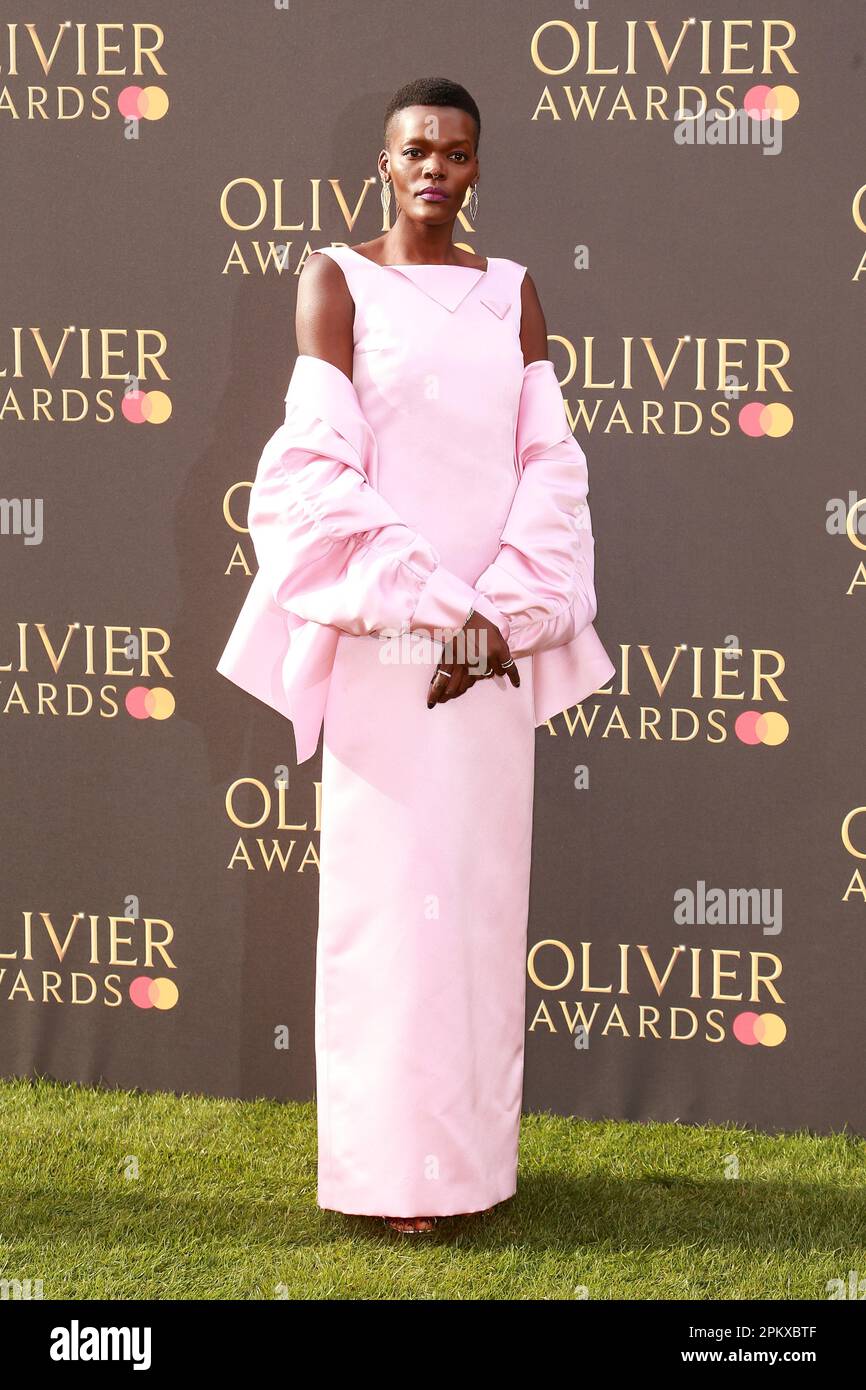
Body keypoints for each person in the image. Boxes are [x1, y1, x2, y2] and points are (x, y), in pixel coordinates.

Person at [217, 76, 616, 1235]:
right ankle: (391, 1180)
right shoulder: (334, 281)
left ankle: (471, 1168)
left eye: (454, 151)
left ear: (478, 168)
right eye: (412, 150)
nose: (432, 166)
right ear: (382, 166)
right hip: (390, 647)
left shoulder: (513, 294)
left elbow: (550, 467)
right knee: (391, 914)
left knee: (478, 915)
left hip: (488, 656)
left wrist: (498, 618)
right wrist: (436, 609)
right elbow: (311, 474)